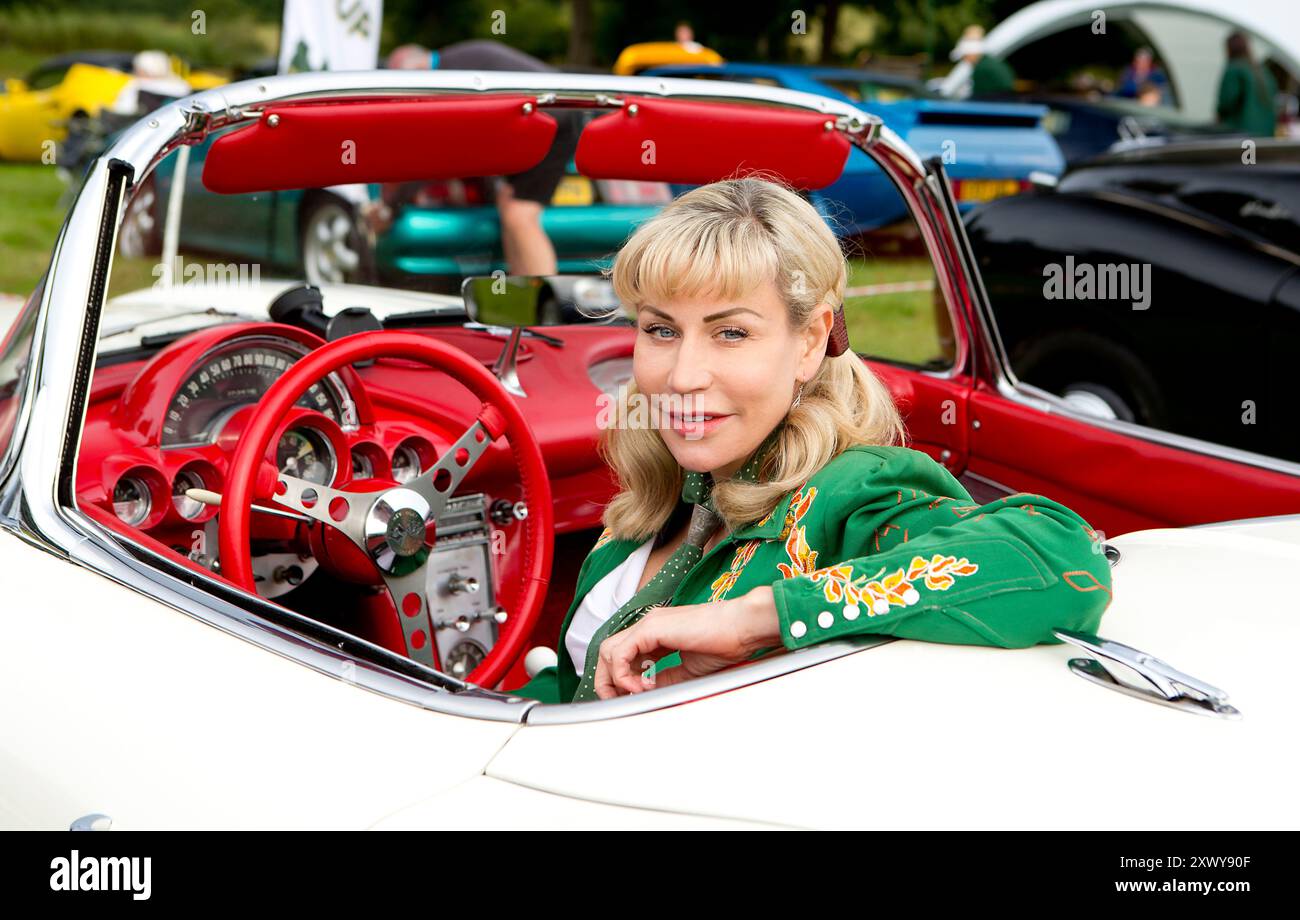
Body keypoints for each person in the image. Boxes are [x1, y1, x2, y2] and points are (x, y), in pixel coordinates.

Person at [509, 178, 1113, 704]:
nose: (683, 375)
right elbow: (578, 685)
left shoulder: (855, 491)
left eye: (732, 333)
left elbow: (1060, 556)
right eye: (661, 329)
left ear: (808, 342)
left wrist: (756, 620)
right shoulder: (661, 499)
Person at [377, 40, 585, 275]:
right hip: (550, 118)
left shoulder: (450, 79)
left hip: (556, 121)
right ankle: (524, 294)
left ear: (414, 69)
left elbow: (439, 158)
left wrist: (390, 207)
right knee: (510, 208)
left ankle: (547, 300)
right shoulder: (460, 61)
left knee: (520, 215)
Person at [1216, 31, 1277, 137]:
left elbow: (1226, 102)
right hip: (1266, 135)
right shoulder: (1263, 71)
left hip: (1242, 135)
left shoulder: (1234, 69)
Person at [950, 25, 1015, 98]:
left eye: (965, 56)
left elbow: (977, 95)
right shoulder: (990, 62)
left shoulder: (981, 68)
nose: (964, 59)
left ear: (971, 54)